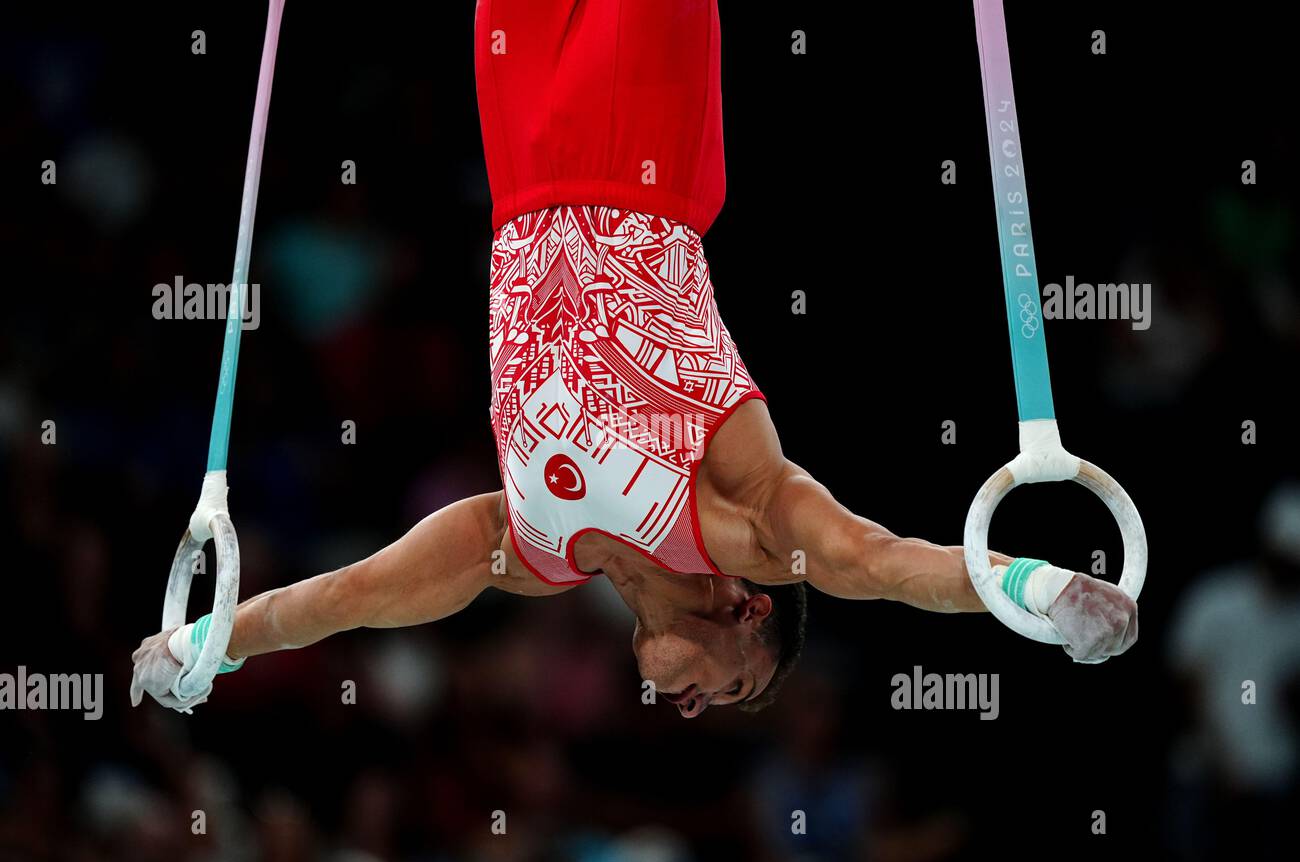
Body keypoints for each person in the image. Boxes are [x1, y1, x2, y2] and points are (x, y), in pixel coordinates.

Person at [131, 0, 1138, 720]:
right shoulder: (745, 523)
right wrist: (1049, 591)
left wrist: (203, 646)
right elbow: (886, 565)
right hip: (644, 143)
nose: (697, 710)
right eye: (737, 684)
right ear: (749, 612)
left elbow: (339, 599)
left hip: (518, 161)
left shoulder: (522, 551)